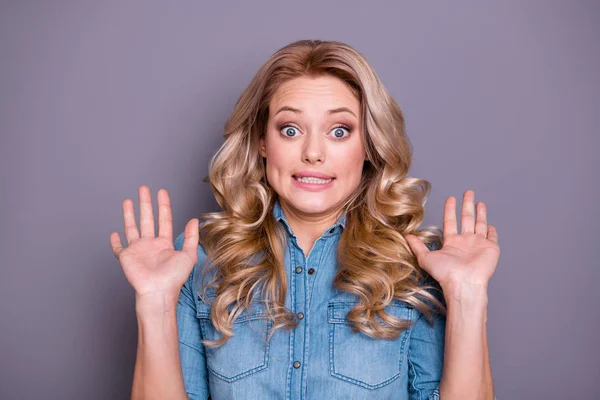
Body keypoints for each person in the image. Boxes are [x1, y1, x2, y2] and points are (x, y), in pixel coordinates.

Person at [110, 39, 499, 400]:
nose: (313, 152)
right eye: (291, 129)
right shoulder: (198, 261)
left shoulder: (415, 266)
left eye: (340, 131)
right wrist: (155, 301)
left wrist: (467, 295)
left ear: (369, 145)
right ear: (263, 141)